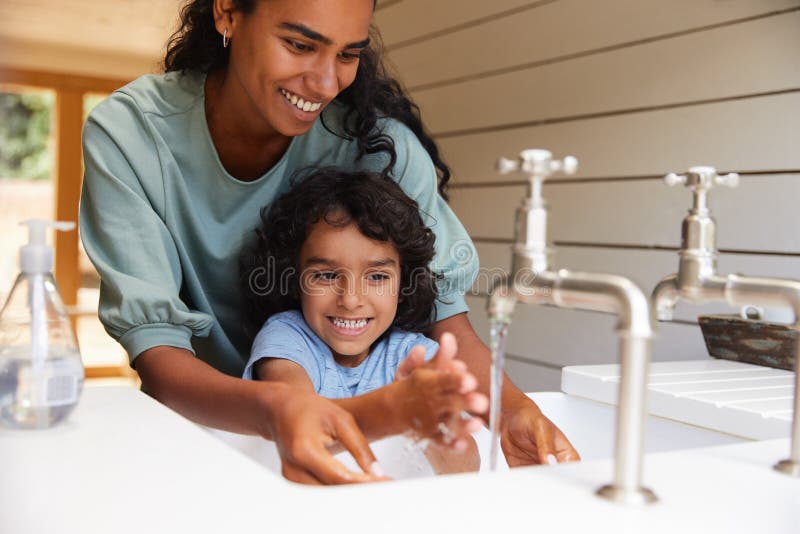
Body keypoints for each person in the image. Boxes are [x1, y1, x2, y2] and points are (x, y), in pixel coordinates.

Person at [79, 0, 579, 484]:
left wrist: (512, 410)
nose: (324, 83)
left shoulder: (382, 148)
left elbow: (446, 321)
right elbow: (161, 361)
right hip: (206, 440)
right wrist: (289, 410)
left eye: (347, 54)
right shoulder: (132, 136)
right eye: (299, 44)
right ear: (228, 11)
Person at [241, 169, 486, 473]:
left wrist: (437, 429)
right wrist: (399, 410)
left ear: (403, 283)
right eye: (327, 275)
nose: (351, 299)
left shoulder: (416, 355)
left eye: (377, 276)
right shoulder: (285, 338)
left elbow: (466, 471)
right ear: (294, 278)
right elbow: (304, 426)